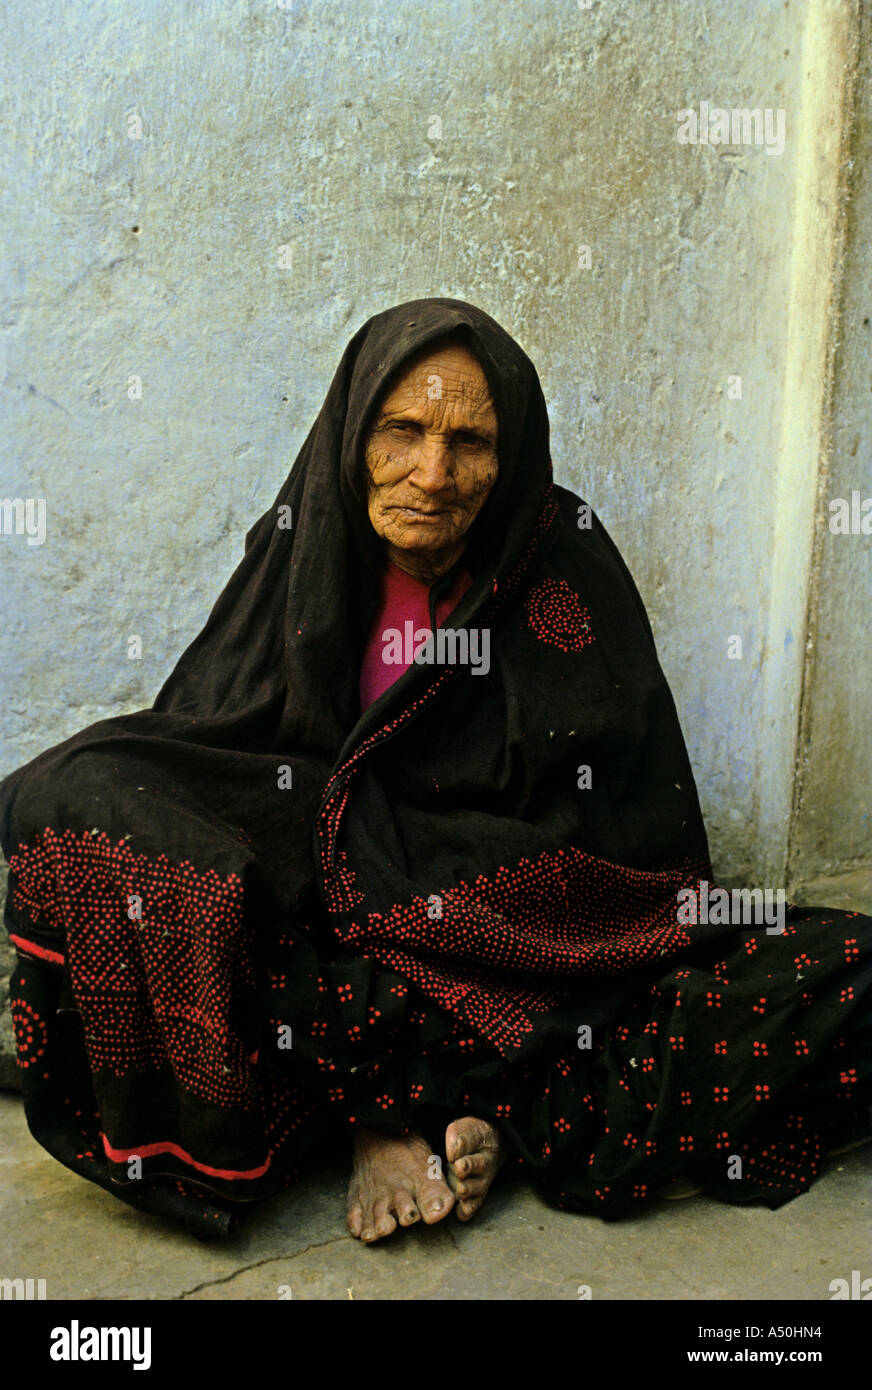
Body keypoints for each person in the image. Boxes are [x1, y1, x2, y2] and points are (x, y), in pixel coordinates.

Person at [1, 298, 869, 1243]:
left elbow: (619, 829)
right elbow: (217, 739)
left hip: (505, 943)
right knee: (82, 800)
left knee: (837, 974)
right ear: (354, 432)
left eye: (470, 442)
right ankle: (422, 1108)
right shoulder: (302, 545)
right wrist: (343, 855)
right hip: (327, 938)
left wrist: (438, 883)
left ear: (511, 452)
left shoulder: (561, 564)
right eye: (403, 431)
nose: (433, 474)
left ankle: (424, 1103)